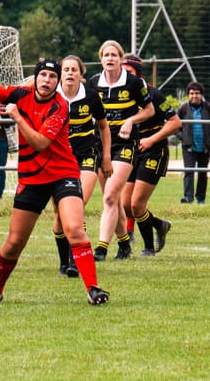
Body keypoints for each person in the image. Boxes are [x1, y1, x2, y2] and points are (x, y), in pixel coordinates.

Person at [0, 58, 110, 306]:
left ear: (57, 82)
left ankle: (93, 289)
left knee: (74, 229)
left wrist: (18, 117)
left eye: (52, 77)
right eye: (43, 75)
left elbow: (40, 143)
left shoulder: (60, 106)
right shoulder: (20, 93)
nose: (47, 80)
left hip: (63, 174)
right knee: (14, 242)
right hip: (32, 178)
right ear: (36, 78)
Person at [87, 40, 154, 261]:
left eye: (114, 55)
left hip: (125, 143)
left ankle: (101, 249)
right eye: (106, 55)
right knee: (112, 199)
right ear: (101, 59)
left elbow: (149, 110)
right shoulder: (93, 83)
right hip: (100, 144)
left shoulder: (133, 83)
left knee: (109, 196)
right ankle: (124, 244)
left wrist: (131, 120)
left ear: (120, 59)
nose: (110, 58)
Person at [56, 55, 112, 276]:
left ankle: (74, 262)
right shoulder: (51, 96)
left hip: (86, 155)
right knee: (60, 216)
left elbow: (104, 127)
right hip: (58, 158)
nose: (70, 73)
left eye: (74, 70)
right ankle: (64, 262)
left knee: (77, 202)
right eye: (66, 69)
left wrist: (106, 157)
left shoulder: (91, 96)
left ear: (81, 74)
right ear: (61, 74)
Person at [121, 54, 180, 256]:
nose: (125, 76)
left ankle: (148, 248)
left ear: (138, 74)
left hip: (154, 151)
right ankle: (159, 225)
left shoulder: (153, 94)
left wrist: (151, 140)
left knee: (137, 204)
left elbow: (175, 122)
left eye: (129, 72)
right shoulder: (121, 96)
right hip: (132, 151)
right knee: (125, 206)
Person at [176, 81, 210, 205]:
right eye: (191, 93)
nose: (194, 96)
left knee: (202, 173)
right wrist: (183, 138)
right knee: (189, 172)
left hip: (204, 146)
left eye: (197, 93)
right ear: (188, 95)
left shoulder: (209, 108)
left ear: (201, 95)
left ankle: (201, 198)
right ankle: (188, 197)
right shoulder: (183, 109)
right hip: (189, 146)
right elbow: (174, 125)